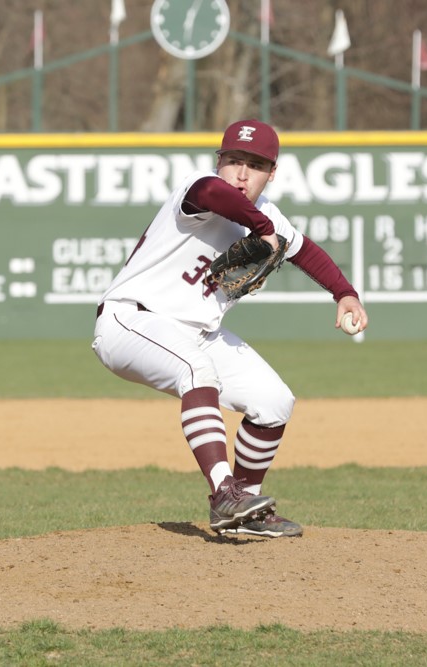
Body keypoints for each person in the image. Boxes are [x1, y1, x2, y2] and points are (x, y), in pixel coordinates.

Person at [91, 119, 368, 538]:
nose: (241, 173)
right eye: (233, 160)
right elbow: (212, 193)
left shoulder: (270, 217)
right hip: (130, 321)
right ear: (218, 161)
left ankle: (245, 512)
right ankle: (223, 492)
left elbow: (306, 251)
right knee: (197, 370)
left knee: (274, 401)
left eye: (254, 165)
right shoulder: (199, 187)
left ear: (271, 173)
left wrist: (344, 293)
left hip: (195, 332)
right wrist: (262, 228)